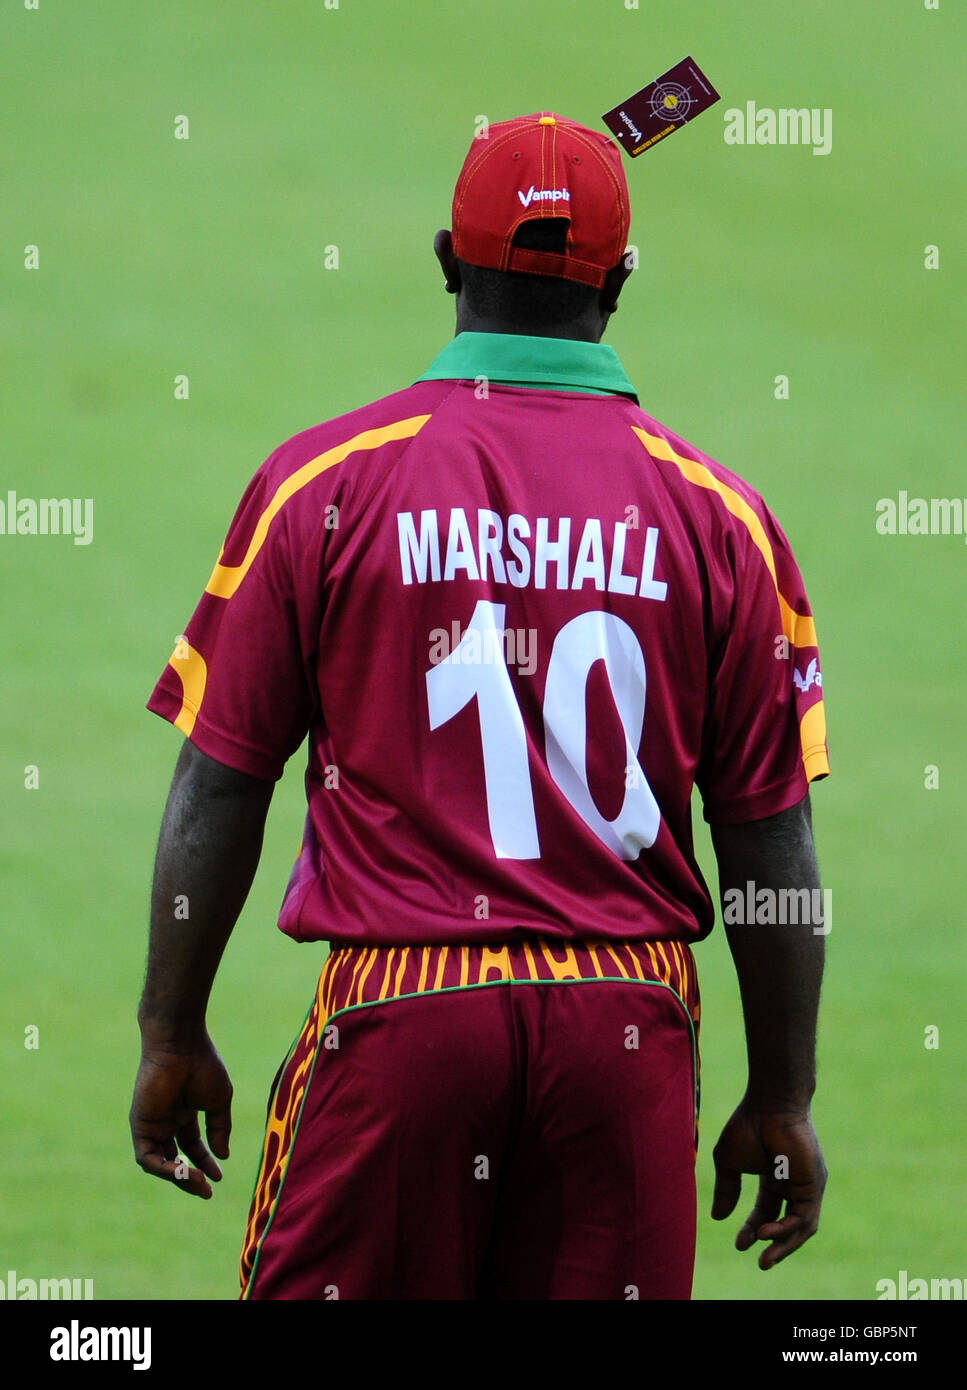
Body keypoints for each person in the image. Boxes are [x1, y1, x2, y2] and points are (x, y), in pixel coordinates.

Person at [130, 112, 829, 1301]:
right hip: (629, 1030)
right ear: (621, 282)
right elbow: (767, 837)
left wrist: (171, 1029)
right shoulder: (722, 517)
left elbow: (219, 782)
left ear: (446, 259)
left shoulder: (326, 481)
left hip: (406, 1017)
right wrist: (780, 1094)